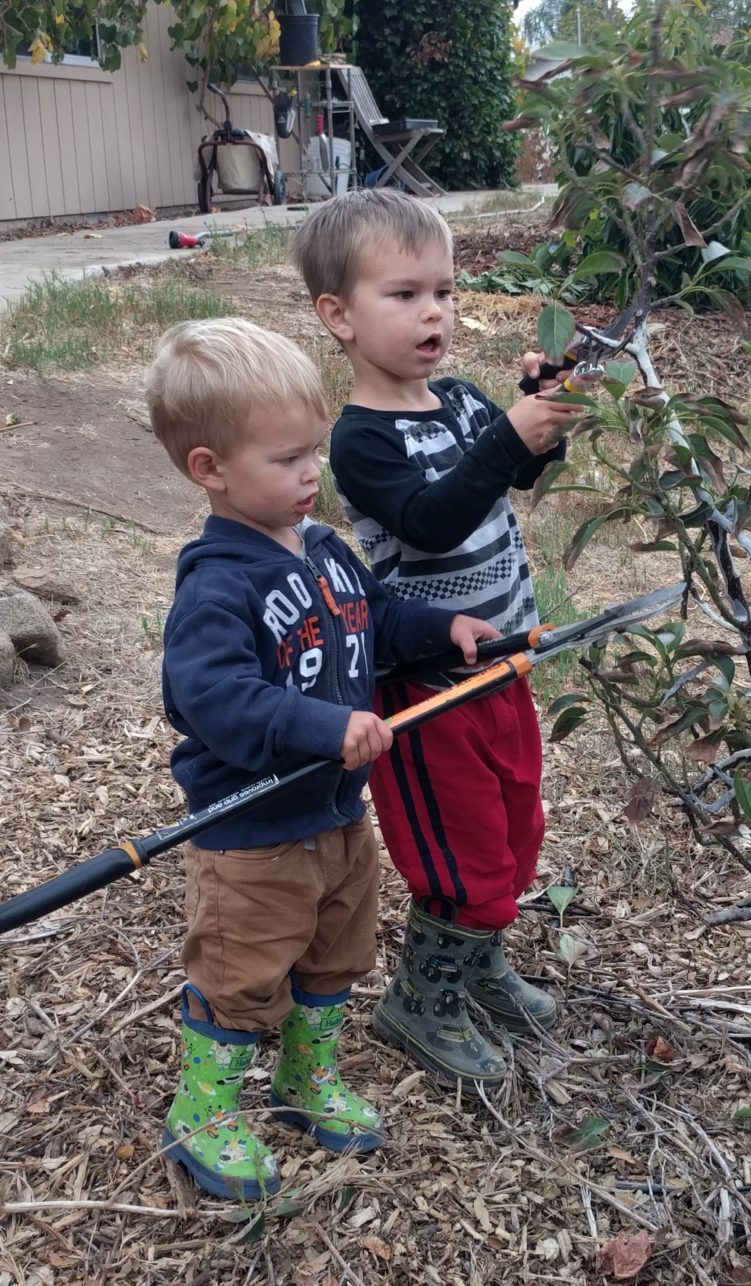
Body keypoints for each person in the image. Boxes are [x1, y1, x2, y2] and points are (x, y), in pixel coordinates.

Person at [145, 317, 498, 1199]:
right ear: (210, 469)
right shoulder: (217, 583)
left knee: (334, 954)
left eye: (315, 453)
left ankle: (304, 1079)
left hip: (339, 815)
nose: (313, 475)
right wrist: (316, 726)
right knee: (242, 972)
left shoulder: (327, 553)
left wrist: (443, 633)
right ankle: (205, 1108)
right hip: (254, 834)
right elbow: (209, 699)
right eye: (286, 460)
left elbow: (376, 625)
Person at [289, 190, 578, 1091]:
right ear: (338, 315)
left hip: (498, 665)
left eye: (445, 293)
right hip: (423, 685)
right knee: (460, 847)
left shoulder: (457, 401)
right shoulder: (359, 442)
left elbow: (514, 475)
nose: (435, 313)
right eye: (405, 294)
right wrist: (503, 442)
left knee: (514, 823)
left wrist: (538, 416)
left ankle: (475, 961)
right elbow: (435, 519)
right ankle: (421, 996)